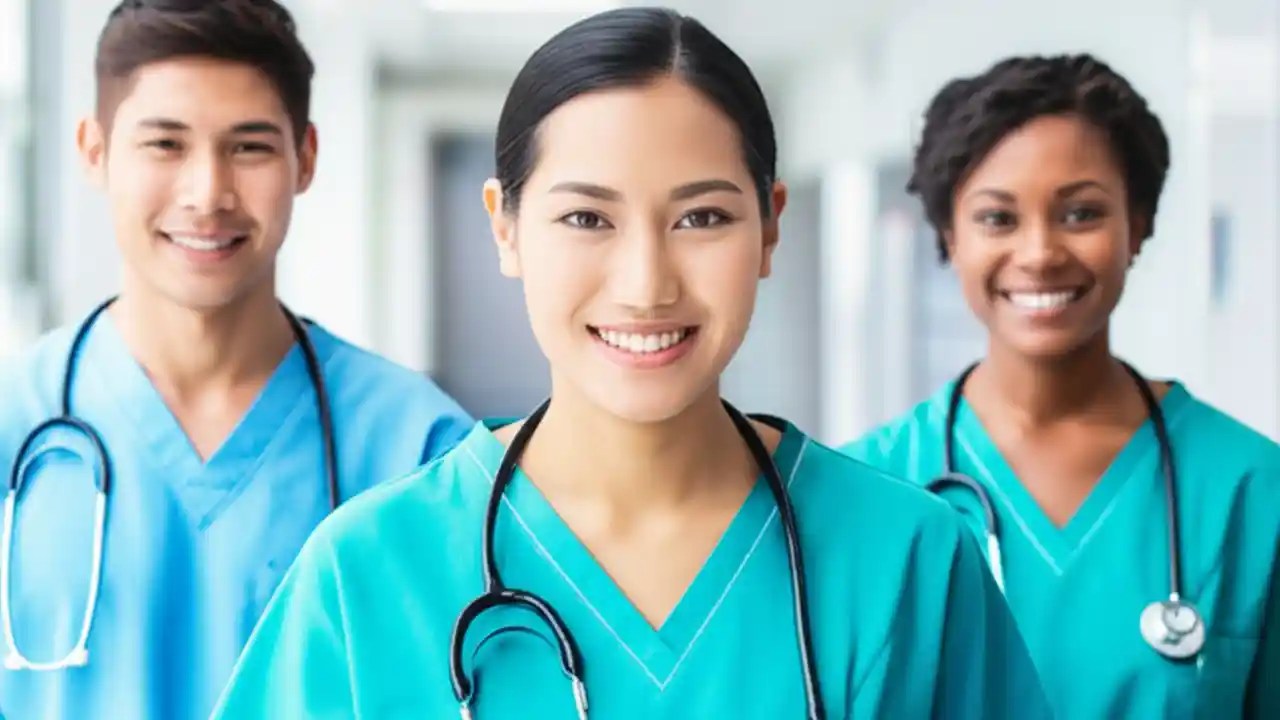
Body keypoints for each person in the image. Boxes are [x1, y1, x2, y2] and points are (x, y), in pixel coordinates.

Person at [209, 8, 1050, 719]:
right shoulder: (367, 574)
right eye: (586, 220)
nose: (646, 284)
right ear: (505, 228)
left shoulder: (909, 561)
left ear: (770, 227)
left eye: (702, 218)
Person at [0, 2, 472, 719]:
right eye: (165, 145)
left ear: (304, 157)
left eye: (248, 147)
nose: (208, 194)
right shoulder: (14, 425)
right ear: (93, 152)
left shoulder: (420, 449)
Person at [843, 53, 1280, 718]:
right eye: (997, 218)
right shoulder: (861, 491)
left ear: (1140, 224)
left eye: (1080, 213)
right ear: (948, 236)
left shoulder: (1250, 491)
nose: (1041, 252)